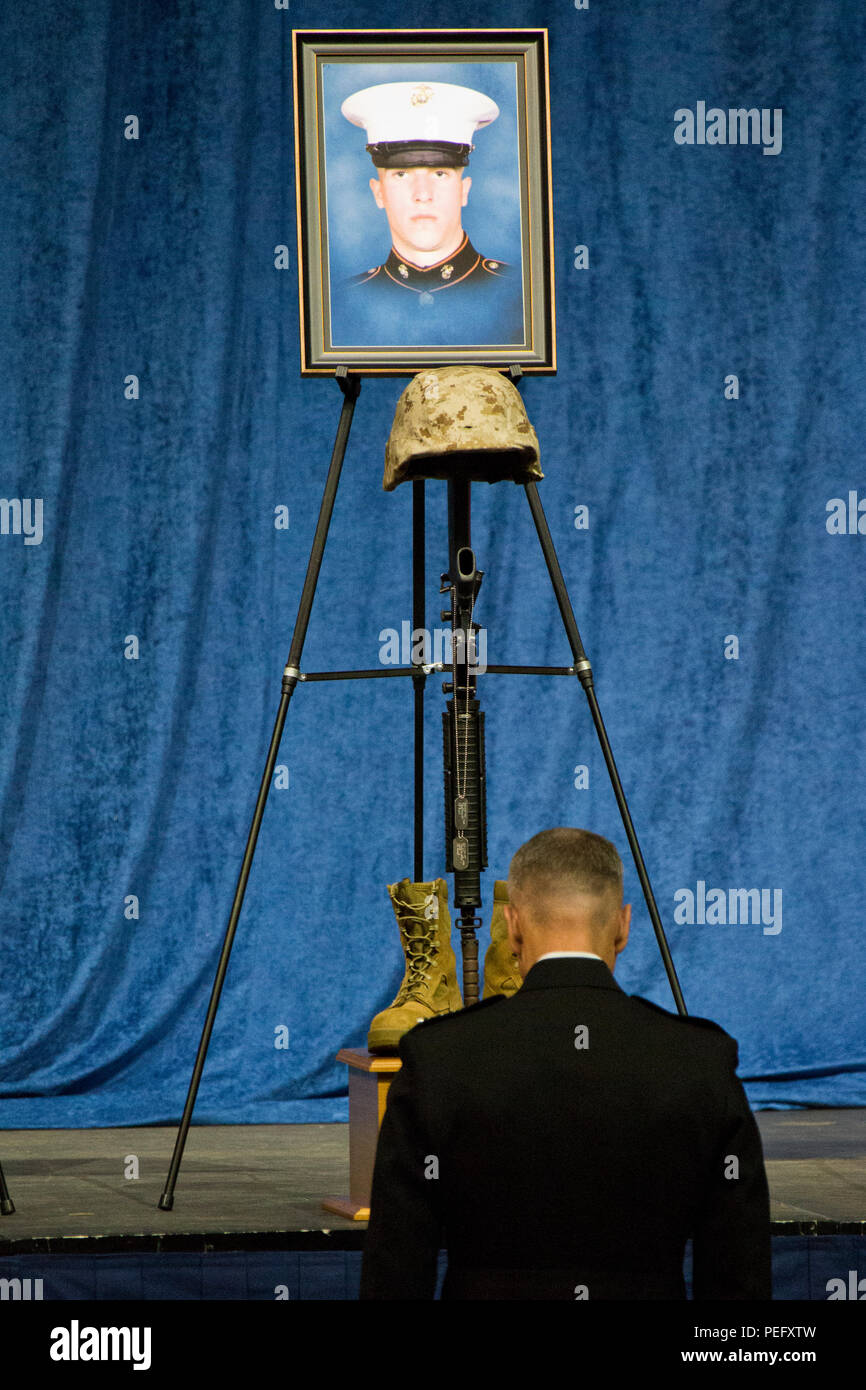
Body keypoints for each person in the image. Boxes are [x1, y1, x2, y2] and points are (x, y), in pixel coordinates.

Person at [359, 827, 772, 1300]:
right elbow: (740, 1283)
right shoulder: (699, 1061)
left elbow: (395, 1273)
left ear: (512, 927)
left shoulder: (439, 1059)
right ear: (623, 926)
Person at [334, 81, 523, 347]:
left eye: (440, 173)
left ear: (464, 190)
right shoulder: (342, 304)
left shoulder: (518, 295)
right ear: (379, 193)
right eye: (401, 175)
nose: (422, 194)